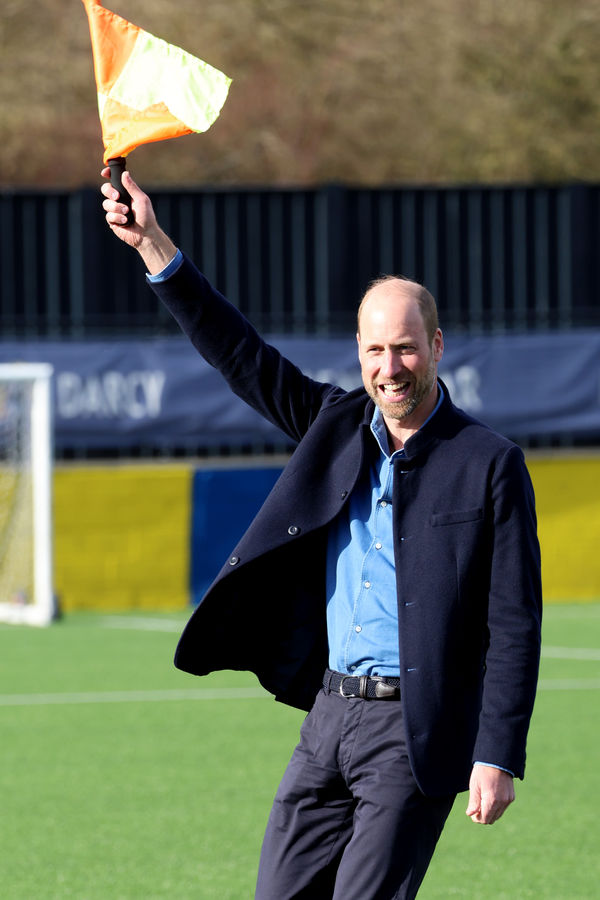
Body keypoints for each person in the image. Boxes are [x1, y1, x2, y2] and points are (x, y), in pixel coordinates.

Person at [101, 170, 542, 900]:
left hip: (415, 730)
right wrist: (153, 244)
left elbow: (514, 622)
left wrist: (498, 754)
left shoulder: (489, 462)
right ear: (359, 352)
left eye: (404, 349)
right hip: (328, 715)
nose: (388, 368)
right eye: (375, 351)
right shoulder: (334, 424)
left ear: (435, 345)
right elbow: (240, 356)